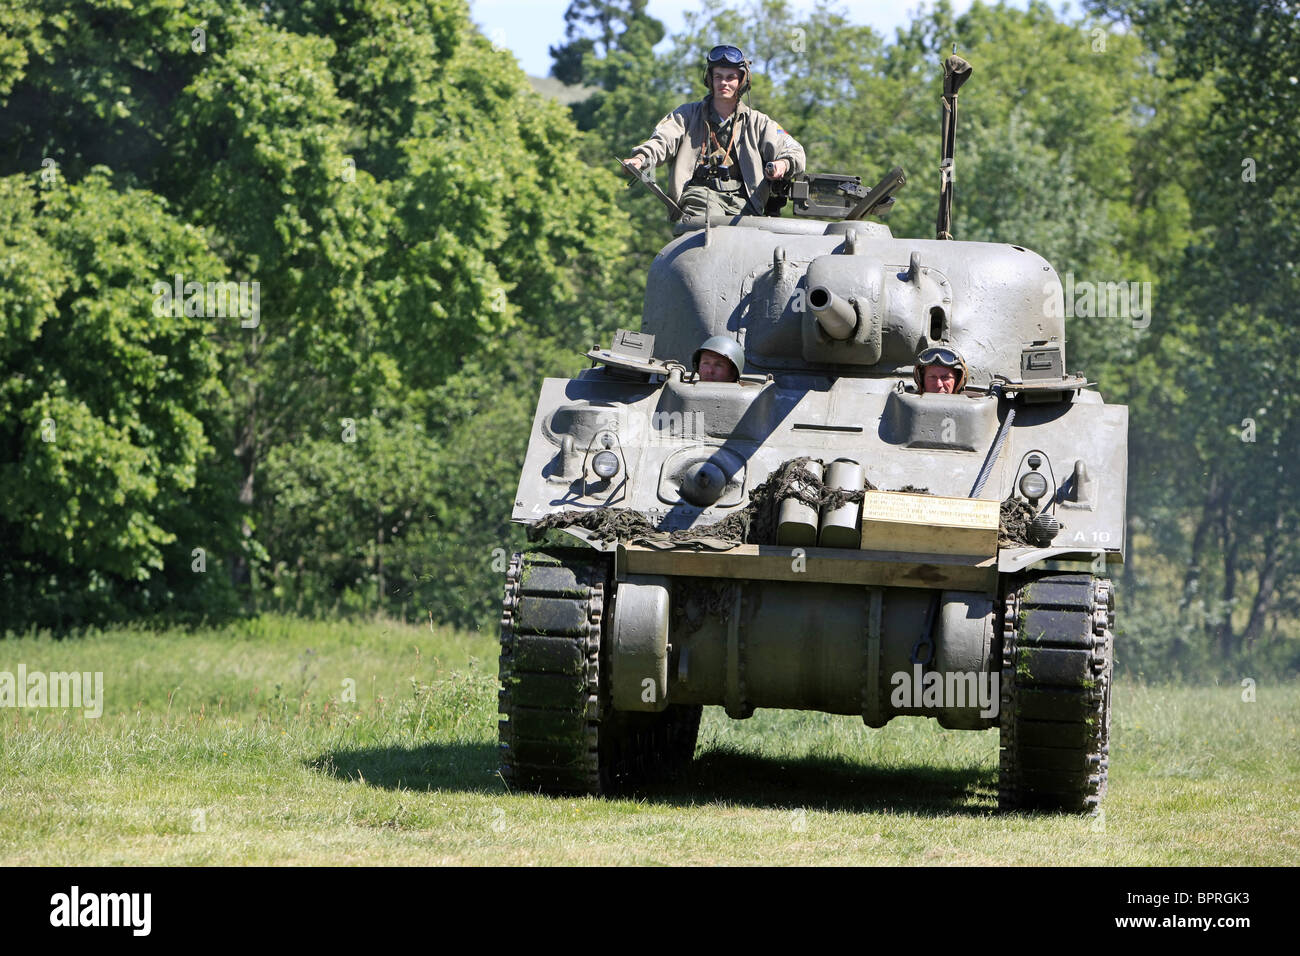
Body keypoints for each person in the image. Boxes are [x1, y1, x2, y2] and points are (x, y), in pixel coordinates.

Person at [622, 44, 806, 219]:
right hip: (700, 196)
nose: (724, 83)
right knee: (710, 222)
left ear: (742, 81)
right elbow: (663, 141)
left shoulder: (758, 122)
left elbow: (794, 150)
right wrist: (641, 158)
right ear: (709, 79)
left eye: (730, 77)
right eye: (718, 76)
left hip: (746, 201)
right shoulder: (687, 116)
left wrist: (783, 164)